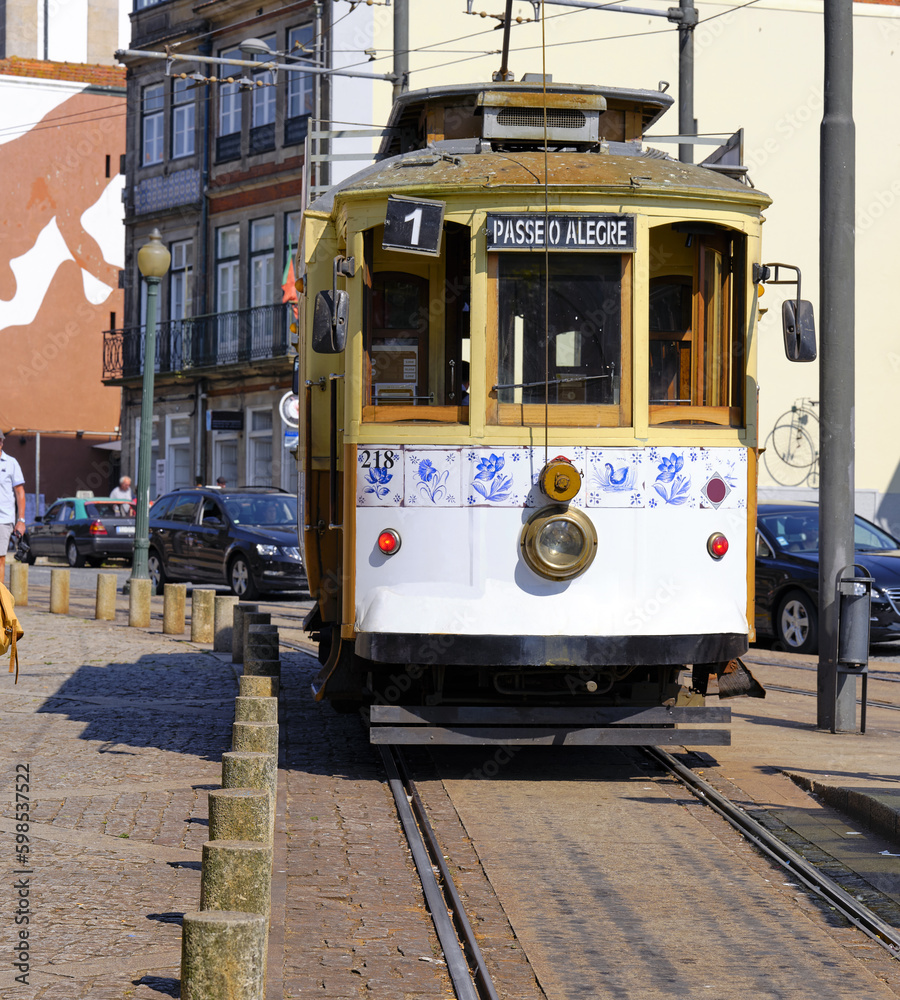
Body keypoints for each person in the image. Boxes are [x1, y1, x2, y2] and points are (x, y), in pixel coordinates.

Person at [0, 431, 26, 580]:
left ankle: (0, 599)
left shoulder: (11, 463)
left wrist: (21, 520)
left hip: (3, 519)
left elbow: (19, 492)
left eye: (0, 441)